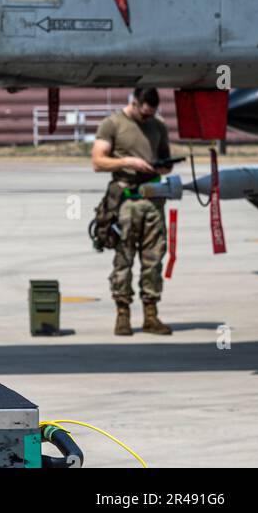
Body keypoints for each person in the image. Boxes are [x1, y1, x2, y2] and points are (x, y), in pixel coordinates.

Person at [92, 87, 175, 336]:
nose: (147, 118)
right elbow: (98, 161)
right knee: (123, 259)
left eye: (152, 114)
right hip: (125, 201)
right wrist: (128, 161)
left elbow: (166, 161)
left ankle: (151, 315)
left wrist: (162, 168)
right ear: (135, 102)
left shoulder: (158, 127)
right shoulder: (112, 124)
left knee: (153, 259)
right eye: (144, 113)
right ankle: (122, 315)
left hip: (153, 200)